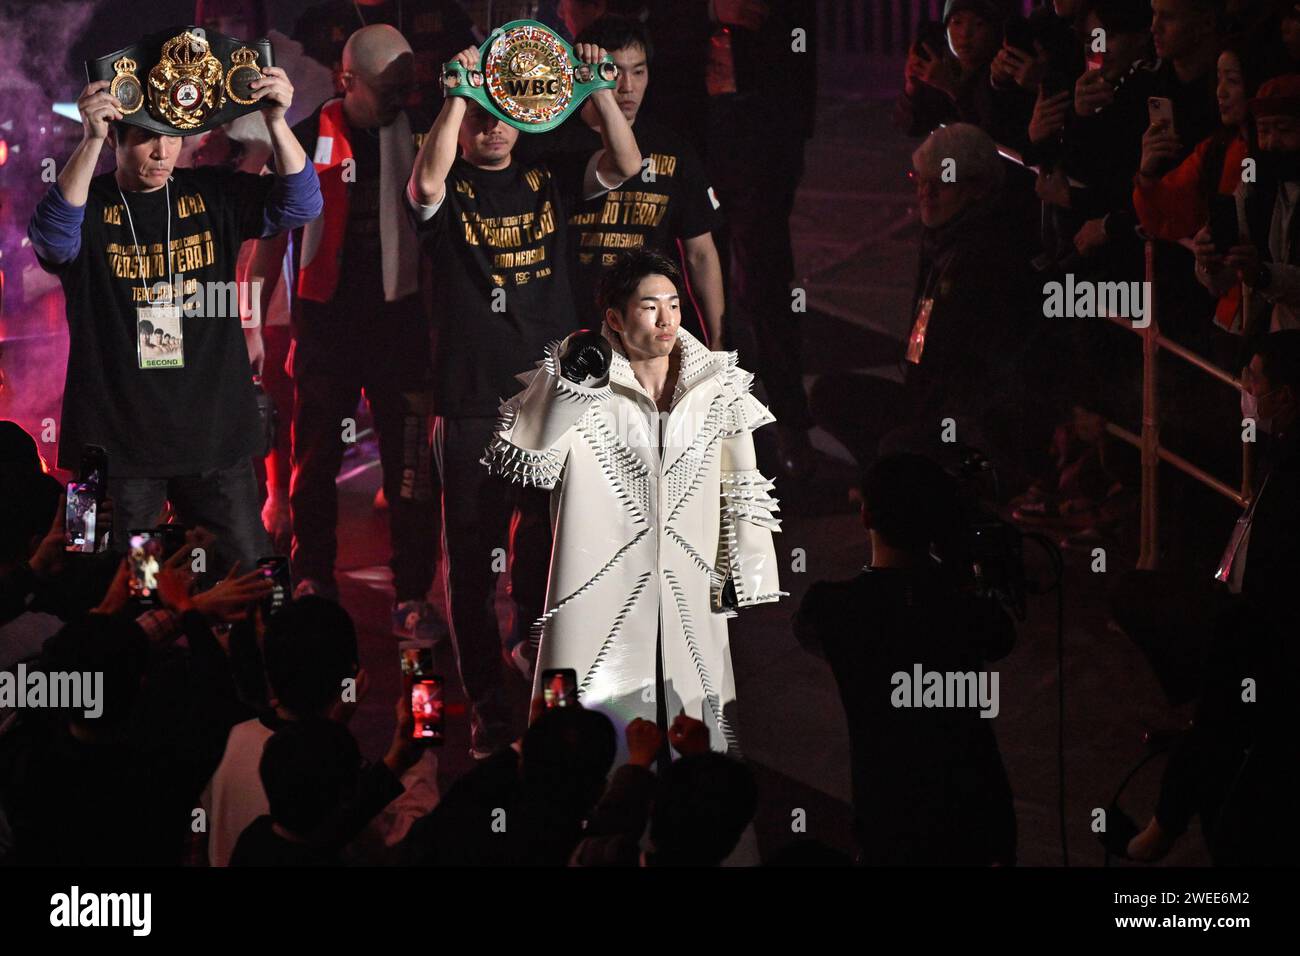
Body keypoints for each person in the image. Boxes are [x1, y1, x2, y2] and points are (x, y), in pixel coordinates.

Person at [406, 41, 642, 757]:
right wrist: (459, 92)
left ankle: (542, 677)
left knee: (552, 555)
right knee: (472, 567)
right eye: (478, 119)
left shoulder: (550, 178)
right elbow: (423, 189)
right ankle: (487, 710)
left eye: (502, 114)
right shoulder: (448, 194)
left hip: (555, 401)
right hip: (473, 402)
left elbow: (627, 164)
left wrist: (598, 87)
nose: (492, 128)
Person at [25, 38, 323, 577]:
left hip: (213, 438)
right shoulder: (85, 204)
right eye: (143, 140)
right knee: (105, 588)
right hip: (110, 448)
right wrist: (90, 139)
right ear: (117, 138)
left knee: (254, 580)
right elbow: (50, 241)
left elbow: (302, 203)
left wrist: (278, 122)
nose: (162, 154)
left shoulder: (210, 193)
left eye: (171, 140)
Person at [483, 248, 785, 764]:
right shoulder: (577, 383)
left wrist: (748, 569)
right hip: (598, 587)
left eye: (673, 303)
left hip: (690, 589)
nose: (667, 319)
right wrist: (569, 385)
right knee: (590, 740)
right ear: (615, 319)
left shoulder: (719, 385)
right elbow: (526, 459)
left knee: (698, 733)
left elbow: (742, 481)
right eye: (650, 307)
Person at [250, 25, 442, 639]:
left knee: (411, 469)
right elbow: (266, 241)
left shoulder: (423, 135)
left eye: (407, 88)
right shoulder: (304, 138)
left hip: (402, 329)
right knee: (315, 461)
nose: (401, 99)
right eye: (388, 88)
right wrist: (250, 325)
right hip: (328, 330)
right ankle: (312, 577)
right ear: (346, 80)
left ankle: (412, 591)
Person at [793, 453, 1018, 866]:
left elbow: (817, 631)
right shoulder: (967, 611)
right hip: (980, 813)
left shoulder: (830, 610)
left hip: (892, 819)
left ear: (865, 516)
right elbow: (1001, 635)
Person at [517, 15, 726, 347]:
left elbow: (700, 252)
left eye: (639, 71)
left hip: (646, 329)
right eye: (614, 72)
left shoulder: (672, 148)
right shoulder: (552, 145)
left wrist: (717, 338)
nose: (628, 87)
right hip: (570, 328)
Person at [1195, 75, 1300, 334]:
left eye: (1284, 130)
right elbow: (1222, 279)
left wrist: (1263, 275)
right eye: (1264, 131)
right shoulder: (1255, 185)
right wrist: (1210, 259)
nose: (1272, 142)